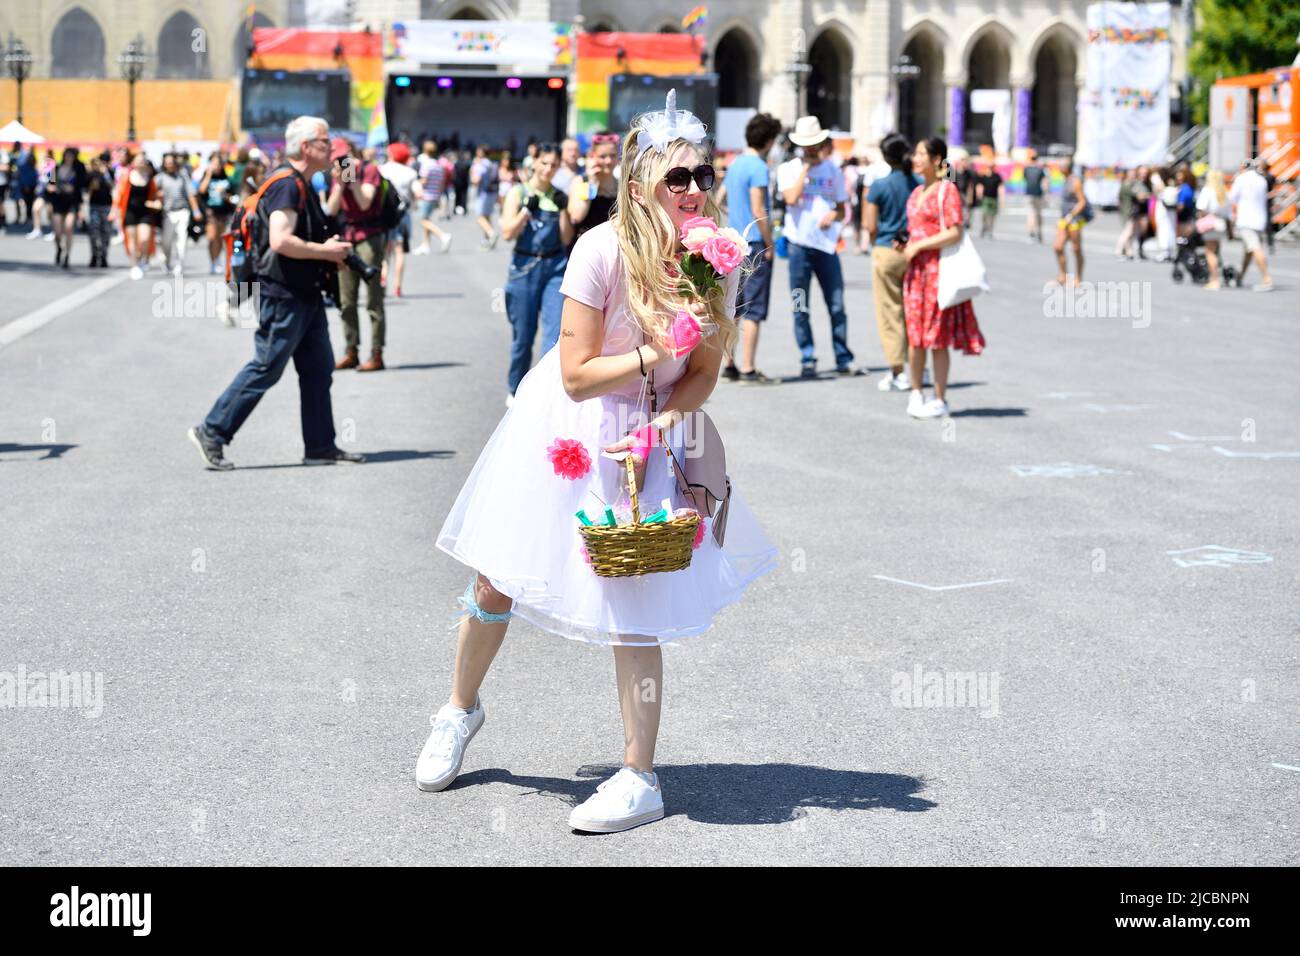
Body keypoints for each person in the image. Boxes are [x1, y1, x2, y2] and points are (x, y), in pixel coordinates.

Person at [420, 91, 778, 834]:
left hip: (648, 434)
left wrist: (663, 423)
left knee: (634, 601)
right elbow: (579, 371)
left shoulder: (715, 257)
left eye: (701, 175)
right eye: (676, 177)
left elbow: (706, 372)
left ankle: (640, 776)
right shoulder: (600, 249)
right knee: (498, 575)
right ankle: (458, 711)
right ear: (641, 178)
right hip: (571, 425)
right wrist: (655, 349)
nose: (693, 190)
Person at [188, 115, 364, 471]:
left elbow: (310, 229)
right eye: (324, 142)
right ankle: (212, 430)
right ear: (305, 147)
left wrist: (327, 252)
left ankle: (320, 446)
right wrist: (325, 252)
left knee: (318, 370)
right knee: (267, 366)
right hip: (284, 294)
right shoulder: (286, 184)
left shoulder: (302, 183)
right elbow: (281, 241)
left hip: (305, 293)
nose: (330, 148)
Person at [902, 137, 985, 419]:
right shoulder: (915, 193)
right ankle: (915, 393)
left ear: (937, 159)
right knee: (915, 337)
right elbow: (916, 232)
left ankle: (939, 398)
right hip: (916, 272)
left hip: (938, 271)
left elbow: (955, 231)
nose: (916, 158)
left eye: (921, 153)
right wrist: (906, 246)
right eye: (915, 153)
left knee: (936, 337)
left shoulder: (946, 191)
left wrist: (920, 246)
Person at [777, 115, 854, 378]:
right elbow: (790, 198)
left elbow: (842, 207)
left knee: (836, 303)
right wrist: (806, 170)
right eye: (805, 145)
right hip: (799, 247)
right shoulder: (789, 169)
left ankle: (843, 356)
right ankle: (807, 356)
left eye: (814, 144)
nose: (810, 149)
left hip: (826, 247)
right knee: (800, 304)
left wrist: (834, 215)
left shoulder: (833, 170)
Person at [499, 142, 574, 402]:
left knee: (554, 336)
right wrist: (525, 211)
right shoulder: (518, 192)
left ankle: (545, 394)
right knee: (523, 337)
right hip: (524, 268)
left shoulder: (558, 195)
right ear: (535, 162)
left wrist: (564, 209)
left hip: (554, 267)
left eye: (554, 165)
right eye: (544, 163)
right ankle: (515, 388)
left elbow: (566, 238)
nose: (548, 169)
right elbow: (507, 232)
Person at [718, 112, 782, 384]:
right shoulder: (758, 166)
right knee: (754, 308)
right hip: (755, 242)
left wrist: (736, 216)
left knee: (734, 305)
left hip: (735, 241)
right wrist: (770, 243)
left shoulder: (735, 163)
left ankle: (729, 363)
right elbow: (759, 209)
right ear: (769, 140)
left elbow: (719, 199)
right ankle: (748, 367)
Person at [864, 132, 921, 392]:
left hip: (886, 251)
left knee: (890, 312)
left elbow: (870, 225)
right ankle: (919, 366)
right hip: (914, 251)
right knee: (913, 310)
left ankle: (898, 371)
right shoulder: (918, 183)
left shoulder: (879, 186)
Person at [326, 138, 388, 372]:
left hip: (369, 237)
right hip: (346, 238)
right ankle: (351, 350)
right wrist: (340, 184)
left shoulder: (369, 170)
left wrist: (352, 182)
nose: (342, 162)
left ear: (353, 153)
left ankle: (376, 353)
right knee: (346, 300)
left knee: (374, 300)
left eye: (345, 157)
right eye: (338, 159)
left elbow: (364, 203)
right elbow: (331, 210)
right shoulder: (337, 175)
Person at [380, 141, 418, 297]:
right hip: (403, 215)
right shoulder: (410, 173)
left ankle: (382, 280)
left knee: (384, 253)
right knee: (399, 251)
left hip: (384, 215)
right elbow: (417, 192)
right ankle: (397, 286)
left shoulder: (381, 170)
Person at [1229, 158, 1273, 291]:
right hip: (1260, 219)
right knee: (1248, 251)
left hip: (1246, 219)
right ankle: (1240, 277)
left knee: (1254, 247)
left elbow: (1232, 198)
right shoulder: (1261, 180)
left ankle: (1266, 278)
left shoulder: (1241, 179)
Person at [567, 132, 619, 241]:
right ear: (592, 156)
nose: (608, 161)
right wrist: (592, 182)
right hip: (587, 246)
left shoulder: (621, 185)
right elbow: (576, 217)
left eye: (613, 155)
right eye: (603, 156)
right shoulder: (581, 181)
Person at [117, 153, 161, 280]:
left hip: (145, 212)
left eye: (143, 161)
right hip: (130, 211)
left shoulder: (150, 177)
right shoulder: (126, 176)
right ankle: (134, 265)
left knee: (144, 239)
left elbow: (155, 194)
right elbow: (119, 194)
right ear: (133, 162)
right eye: (139, 160)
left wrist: (156, 202)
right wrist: (115, 211)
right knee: (132, 240)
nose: (141, 162)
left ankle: (143, 257)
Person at [157, 152, 200, 277]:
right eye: (167, 163)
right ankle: (166, 261)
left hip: (182, 211)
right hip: (167, 213)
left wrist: (196, 210)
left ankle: (179, 265)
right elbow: (153, 193)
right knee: (167, 241)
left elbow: (191, 193)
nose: (169, 165)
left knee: (182, 239)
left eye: (171, 162)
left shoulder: (182, 176)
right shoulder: (160, 178)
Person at [1053, 161, 1091, 286]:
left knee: (1076, 249)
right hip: (1064, 219)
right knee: (1058, 246)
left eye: (1061, 167)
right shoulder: (1065, 180)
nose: (1059, 169)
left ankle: (1078, 278)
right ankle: (1063, 275)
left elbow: (1082, 202)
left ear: (1067, 168)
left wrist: (1071, 215)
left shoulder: (1075, 182)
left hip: (1074, 219)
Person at [50, 147, 87, 269]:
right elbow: (50, 183)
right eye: (67, 155)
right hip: (58, 201)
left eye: (71, 156)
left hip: (72, 202)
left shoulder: (78, 169)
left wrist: (74, 190)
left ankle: (67, 255)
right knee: (57, 232)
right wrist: (52, 188)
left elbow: (82, 186)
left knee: (69, 228)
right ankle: (59, 248)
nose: (68, 158)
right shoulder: (56, 168)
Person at [199, 151, 234, 274]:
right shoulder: (206, 175)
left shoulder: (226, 177)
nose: (216, 166)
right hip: (210, 211)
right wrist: (208, 174)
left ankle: (217, 259)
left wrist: (225, 195)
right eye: (213, 163)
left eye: (218, 164)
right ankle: (213, 261)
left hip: (223, 211)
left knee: (220, 237)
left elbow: (231, 194)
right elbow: (201, 190)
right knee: (212, 237)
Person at [414, 140, 452, 254]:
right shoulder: (438, 165)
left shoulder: (426, 165)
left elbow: (424, 181)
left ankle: (443, 235)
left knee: (423, 221)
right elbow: (441, 182)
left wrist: (416, 183)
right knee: (427, 219)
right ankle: (425, 245)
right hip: (435, 195)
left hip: (427, 195)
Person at [1196, 168, 1230, 291]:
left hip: (1210, 222)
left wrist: (1200, 219)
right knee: (1216, 251)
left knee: (1209, 253)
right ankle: (1216, 277)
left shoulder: (1208, 190)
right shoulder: (1223, 191)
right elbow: (1228, 212)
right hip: (1221, 223)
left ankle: (1215, 279)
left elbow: (1201, 207)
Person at [85, 154, 115, 268]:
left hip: (107, 206)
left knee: (106, 233)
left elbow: (112, 186)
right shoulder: (92, 174)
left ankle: (103, 256)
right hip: (94, 206)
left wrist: (105, 174)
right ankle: (94, 255)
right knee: (93, 232)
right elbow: (87, 188)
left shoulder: (110, 173)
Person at [470, 145, 499, 248]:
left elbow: (475, 180)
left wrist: (473, 169)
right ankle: (486, 240)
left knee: (480, 217)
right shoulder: (491, 163)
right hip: (492, 192)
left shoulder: (480, 164)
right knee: (487, 216)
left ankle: (491, 234)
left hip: (483, 193)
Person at [1022, 155, 1046, 242]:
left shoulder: (1026, 169)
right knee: (1039, 214)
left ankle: (1031, 233)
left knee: (1030, 214)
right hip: (1038, 194)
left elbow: (1025, 179)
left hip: (1029, 193)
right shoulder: (1040, 170)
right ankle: (1039, 232)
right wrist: (1046, 194)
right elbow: (1044, 182)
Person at [976, 162, 1003, 238]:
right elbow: (980, 186)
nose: (990, 168)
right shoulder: (984, 176)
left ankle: (990, 230)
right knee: (984, 214)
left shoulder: (997, 176)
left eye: (991, 167)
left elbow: (1000, 187)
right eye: (989, 167)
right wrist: (979, 194)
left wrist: (1002, 198)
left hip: (994, 198)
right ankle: (984, 226)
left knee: (992, 215)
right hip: (985, 198)